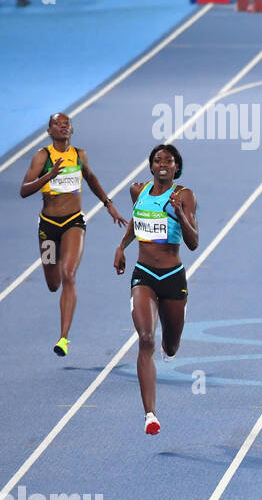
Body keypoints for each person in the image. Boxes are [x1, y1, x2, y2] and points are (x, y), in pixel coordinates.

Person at [19, 113, 127, 356]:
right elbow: (24, 190)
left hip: (73, 221)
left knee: (68, 274)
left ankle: (63, 339)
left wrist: (107, 204)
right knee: (53, 284)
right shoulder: (42, 157)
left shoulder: (79, 155)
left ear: (72, 129)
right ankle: (54, 270)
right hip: (48, 226)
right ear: (49, 131)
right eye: (57, 123)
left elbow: (90, 177)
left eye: (66, 123)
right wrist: (49, 176)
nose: (63, 126)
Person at [113, 145, 198, 435]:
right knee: (146, 339)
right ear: (151, 166)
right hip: (144, 274)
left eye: (169, 161)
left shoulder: (184, 196)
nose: (163, 164)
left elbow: (194, 242)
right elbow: (137, 220)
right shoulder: (138, 191)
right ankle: (150, 414)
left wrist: (179, 214)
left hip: (173, 277)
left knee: (170, 346)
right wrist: (121, 247)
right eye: (158, 160)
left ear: (176, 168)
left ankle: (169, 346)